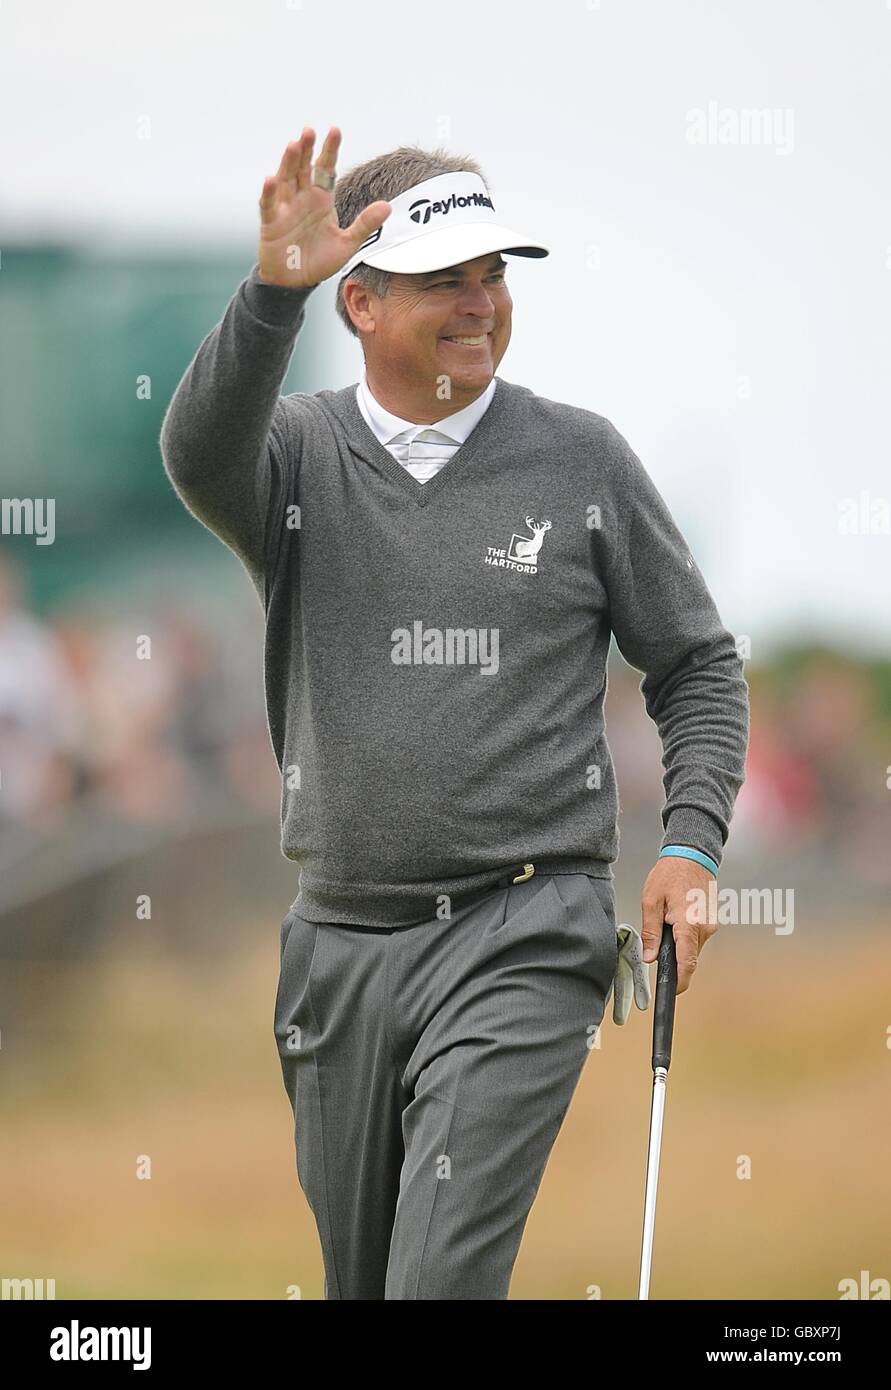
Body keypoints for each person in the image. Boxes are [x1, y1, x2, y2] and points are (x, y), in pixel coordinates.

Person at [159, 127, 750, 1300]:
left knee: (436, 1284)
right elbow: (196, 450)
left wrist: (690, 840)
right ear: (361, 304)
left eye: (496, 274)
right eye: (446, 280)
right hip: (338, 940)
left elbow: (696, 664)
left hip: (525, 928)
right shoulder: (296, 460)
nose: (481, 303)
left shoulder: (582, 460)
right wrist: (272, 293)